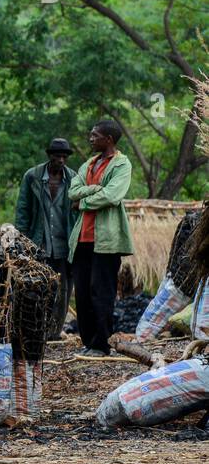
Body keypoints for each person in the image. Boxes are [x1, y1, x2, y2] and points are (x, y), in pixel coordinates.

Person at [68, 120, 133, 357]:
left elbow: (113, 195)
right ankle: (88, 341)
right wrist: (94, 190)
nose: (90, 138)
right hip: (82, 239)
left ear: (109, 139)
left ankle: (101, 344)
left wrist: (82, 202)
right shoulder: (89, 164)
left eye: (95, 135)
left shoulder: (122, 164)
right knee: (83, 292)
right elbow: (72, 191)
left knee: (101, 292)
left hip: (106, 241)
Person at [14, 138, 77, 338]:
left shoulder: (73, 178)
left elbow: (76, 214)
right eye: (57, 156)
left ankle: (55, 331)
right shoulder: (32, 176)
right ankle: (35, 330)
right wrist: (21, 241)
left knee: (63, 290)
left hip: (63, 244)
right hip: (38, 243)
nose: (61, 160)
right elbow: (23, 210)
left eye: (64, 157)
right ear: (49, 156)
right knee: (36, 288)